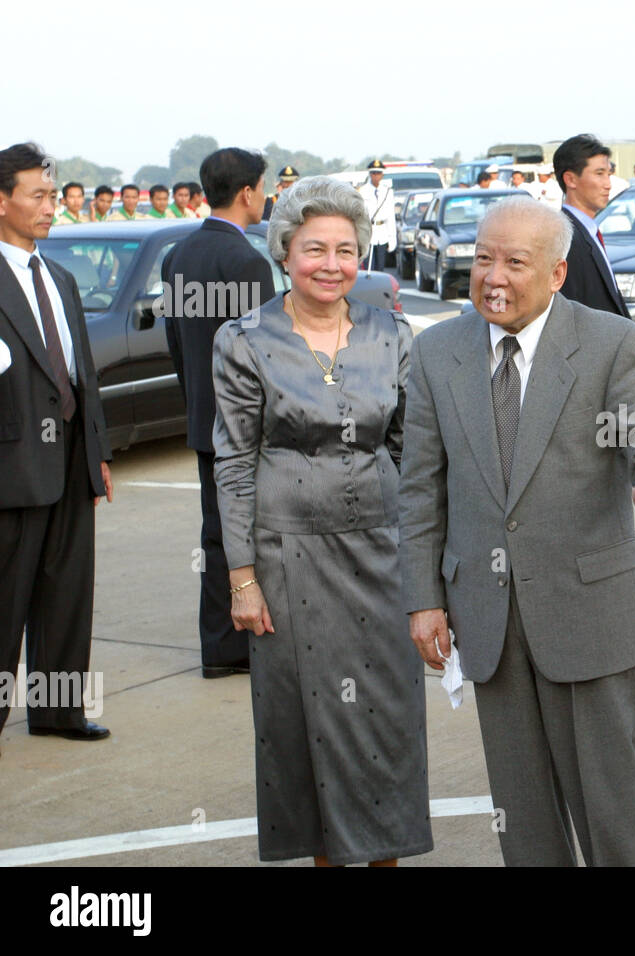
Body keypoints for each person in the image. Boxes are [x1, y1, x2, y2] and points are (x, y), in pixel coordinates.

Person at [399, 196, 635, 866]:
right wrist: (423, 598)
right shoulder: (437, 351)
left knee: (611, 808)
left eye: (514, 263)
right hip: (489, 620)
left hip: (589, 612)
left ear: (558, 274)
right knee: (520, 813)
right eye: (482, 259)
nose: (492, 276)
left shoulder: (610, 343)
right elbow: (420, 487)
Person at [212, 175, 432, 866]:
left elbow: (413, 454)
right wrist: (242, 579)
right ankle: (327, 857)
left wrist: (430, 567)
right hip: (289, 558)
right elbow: (233, 462)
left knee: (386, 718)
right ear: (284, 252)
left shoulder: (391, 334)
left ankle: (386, 856)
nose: (332, 264)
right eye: (315, 249)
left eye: (346, 248)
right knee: (306, 721)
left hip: (382, 550)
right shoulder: (244, 339)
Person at [0, 143, 114, 746]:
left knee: (67, 596)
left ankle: (58, 711)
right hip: (11, 467)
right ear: (1, 201)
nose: (51, 207)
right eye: (38, 196)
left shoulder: (60, 277)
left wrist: (96, 452)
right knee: (5, 603)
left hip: (69, 461)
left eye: (53, 194)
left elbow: (82, 376)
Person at [162, 147, 276, 679]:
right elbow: (261, 354)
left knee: (216, 533)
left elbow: (177, 343)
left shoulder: (178, 254)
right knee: (253, 533)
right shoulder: (247, 260)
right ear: (248, 192)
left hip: (204, 418)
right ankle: (249, 640)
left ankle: (219, 646)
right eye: (264, 186)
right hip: (245, 425)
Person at [553, 134, 629, 317]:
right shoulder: (565, 238)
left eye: (609, 174)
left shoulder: (588, 232)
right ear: (570, 180)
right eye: (599, 174)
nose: (608, 184)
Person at [359, 159, 395, 270]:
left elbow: (390, 216)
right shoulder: (362, 191)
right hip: (368, 231)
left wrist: (392, 238)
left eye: (378, 173)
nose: (376, 176)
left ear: (382, 175)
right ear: (370, 174)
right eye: (373, 173)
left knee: (380, 267)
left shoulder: (387, 191)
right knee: (368, 266)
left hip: (382, 232)